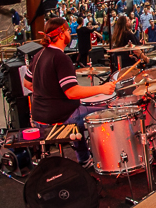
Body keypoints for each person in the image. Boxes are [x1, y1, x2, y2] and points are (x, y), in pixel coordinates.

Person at [25, 17, 116, 163]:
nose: (69, 33)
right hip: (59, 117)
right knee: (109, 109)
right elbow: (72, 92)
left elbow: (27, 83)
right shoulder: (61, 58)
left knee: (77, 108)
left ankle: (84, 159)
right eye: (67, 30)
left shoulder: (38, 55)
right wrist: (102, 89)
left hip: (38, 117)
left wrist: (50, 93)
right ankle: (111, 158)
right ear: (61, 34)